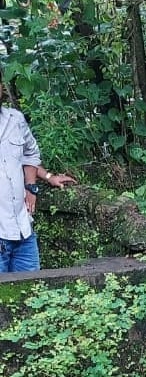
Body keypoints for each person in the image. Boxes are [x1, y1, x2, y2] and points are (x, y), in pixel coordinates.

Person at [0, 81, 77, 273]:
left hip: (22, 229)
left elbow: (29, 155)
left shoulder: (14, 119)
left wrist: (34, 184)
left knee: (33, 295)